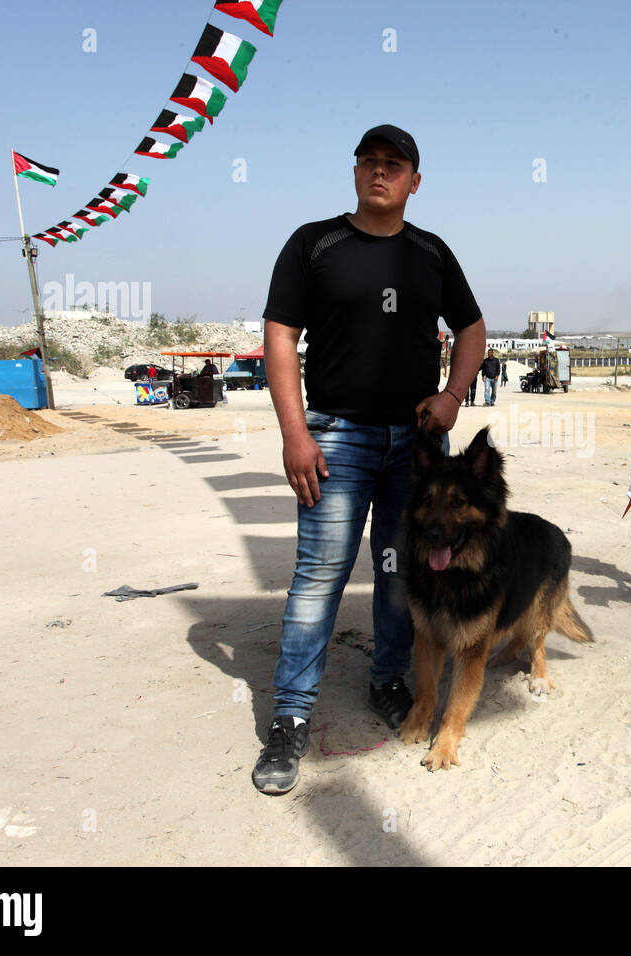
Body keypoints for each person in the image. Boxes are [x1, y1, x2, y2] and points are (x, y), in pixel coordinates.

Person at [254, 124, 486, 794]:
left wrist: (451, 395)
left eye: (395, 164)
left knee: (397, 573)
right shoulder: (313, 244)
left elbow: (471, 327)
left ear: (415, 180)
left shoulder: (431, 254)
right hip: (336, 439)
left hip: (414, 448)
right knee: (319, 576)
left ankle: (388, 678)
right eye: (369, 162)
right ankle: (292, 716)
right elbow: (279, 334)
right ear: (355, 173)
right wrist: (295, 433)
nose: (380, 172)